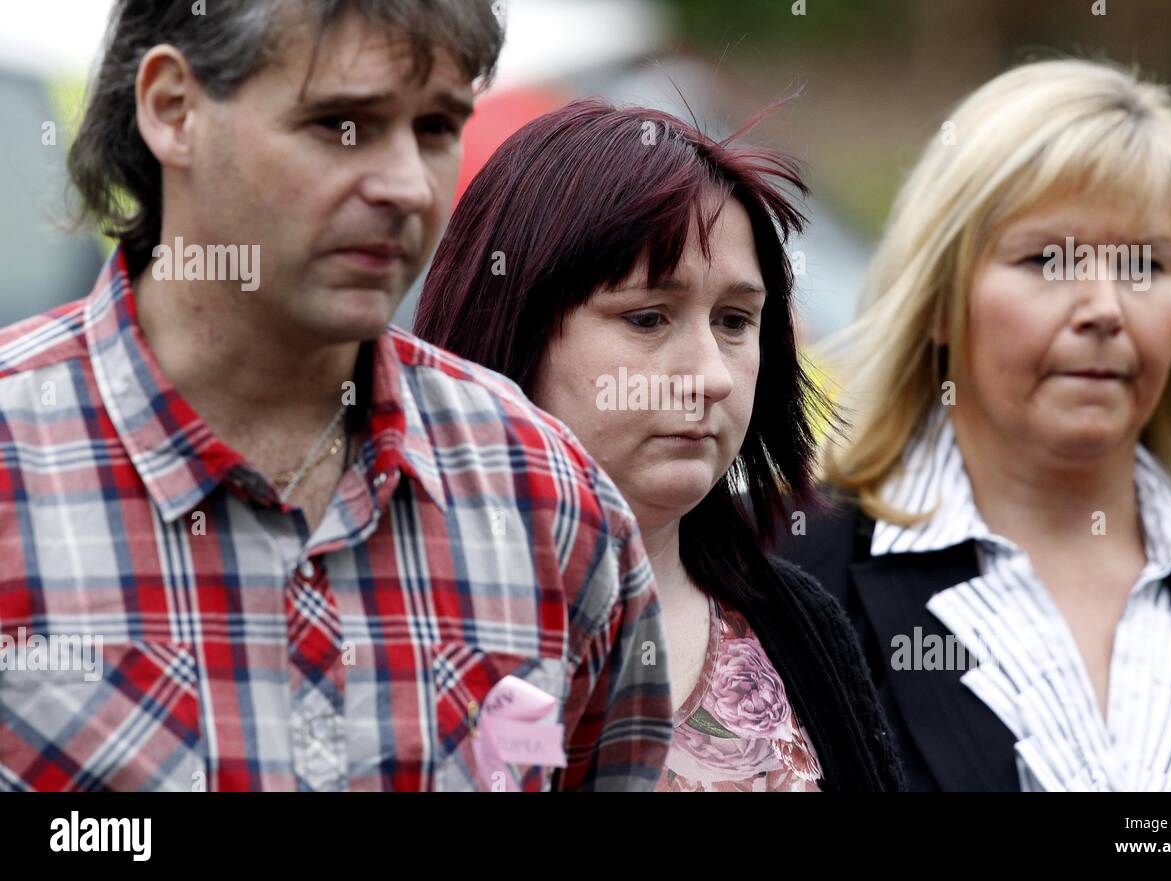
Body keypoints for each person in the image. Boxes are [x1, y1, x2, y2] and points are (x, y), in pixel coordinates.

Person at [0, 0, 671, 792]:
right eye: (339, 125)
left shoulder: (548, 499)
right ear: (174, 110)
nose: (405, 186)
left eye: (435, 128)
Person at [780, 59, 1171, 791]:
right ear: (937, 300)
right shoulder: (789, 579)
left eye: (1144, 263)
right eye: (1048, 259)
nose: (1104, 307)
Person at [414, 99, 903, 791]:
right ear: (513, 324)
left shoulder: (802, 627)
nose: (708, 375)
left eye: (736, 321)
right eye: (647, 318)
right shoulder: (386, 617)